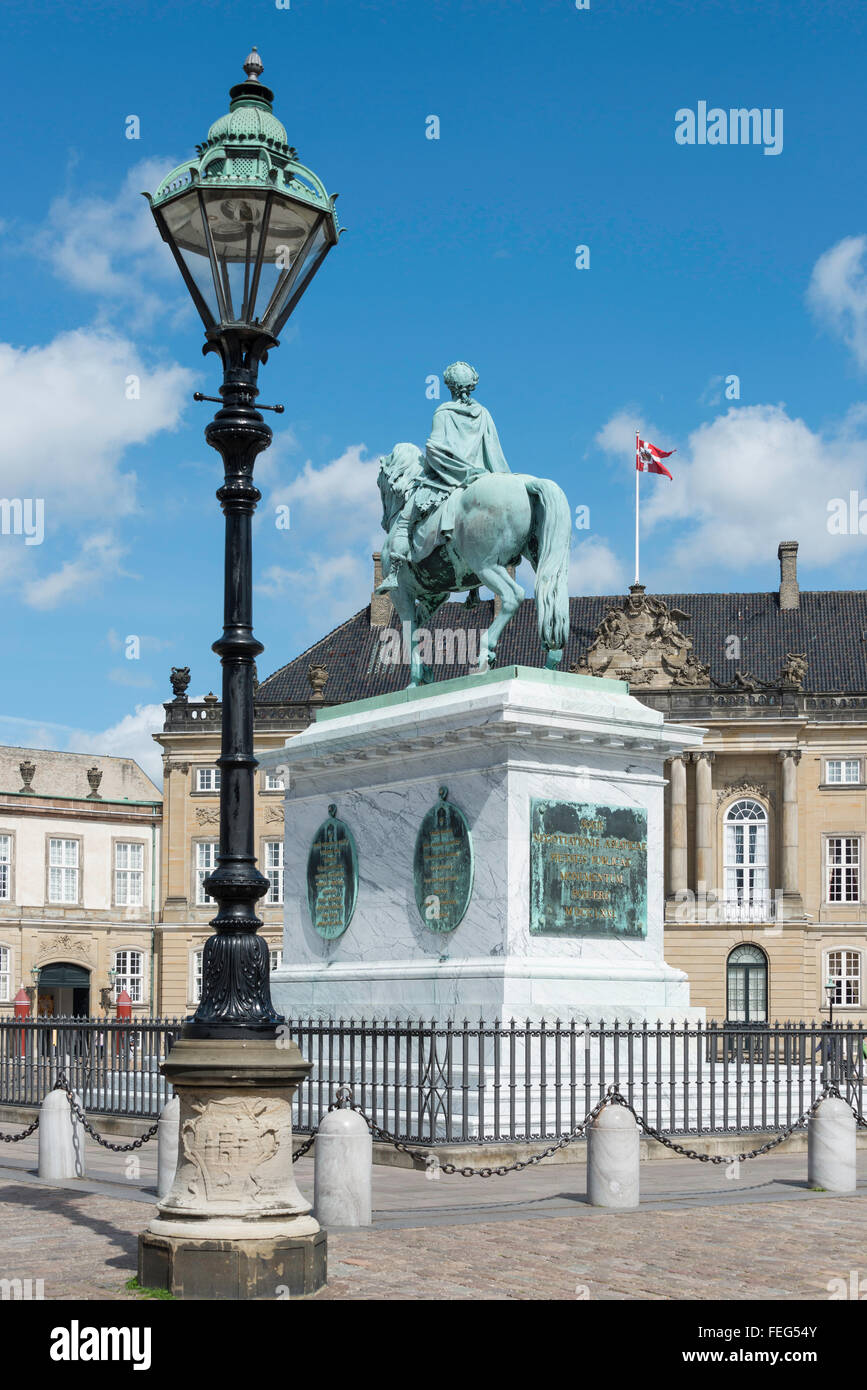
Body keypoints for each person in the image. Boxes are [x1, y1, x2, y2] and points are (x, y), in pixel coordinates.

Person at [375, 362, 510, 593]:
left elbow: (435, 449)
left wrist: (437, 465)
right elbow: (493, 451)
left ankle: (393, 574)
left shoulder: (444, 412)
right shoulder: (484, 413)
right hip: (483, 476)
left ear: (449, 386)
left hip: (450, 479)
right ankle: (475, 588)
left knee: (405, 520)